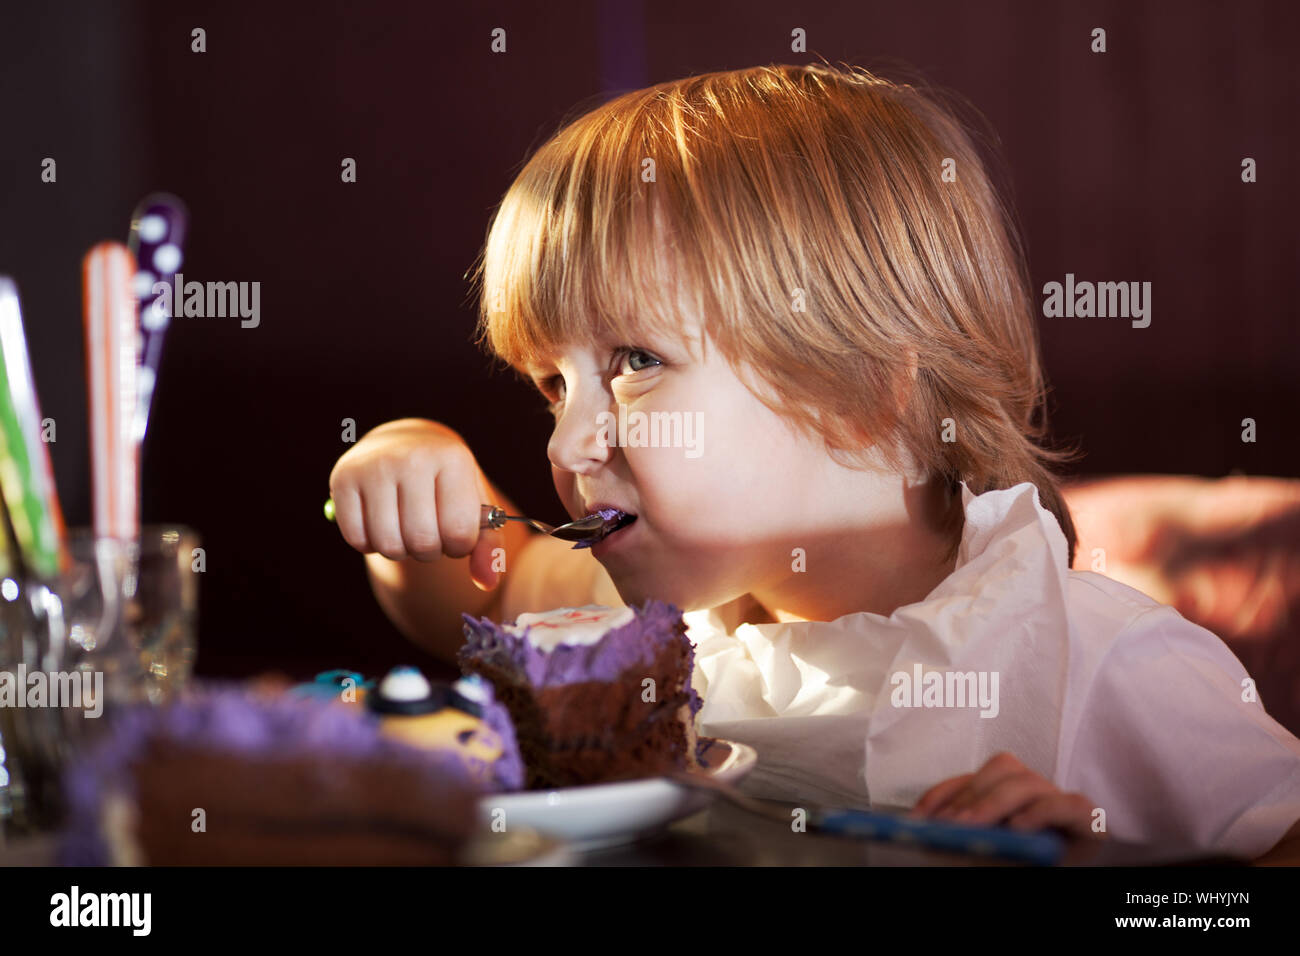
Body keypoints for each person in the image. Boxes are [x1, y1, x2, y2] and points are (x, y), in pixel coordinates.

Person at [328, 63, 1300, 863]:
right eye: (550, 383)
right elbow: (487, 599)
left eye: (633, 363)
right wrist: (416, 477)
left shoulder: (1104, 663)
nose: (565, 443)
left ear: (860, 388)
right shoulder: (660, 621)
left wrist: (1106, 853)